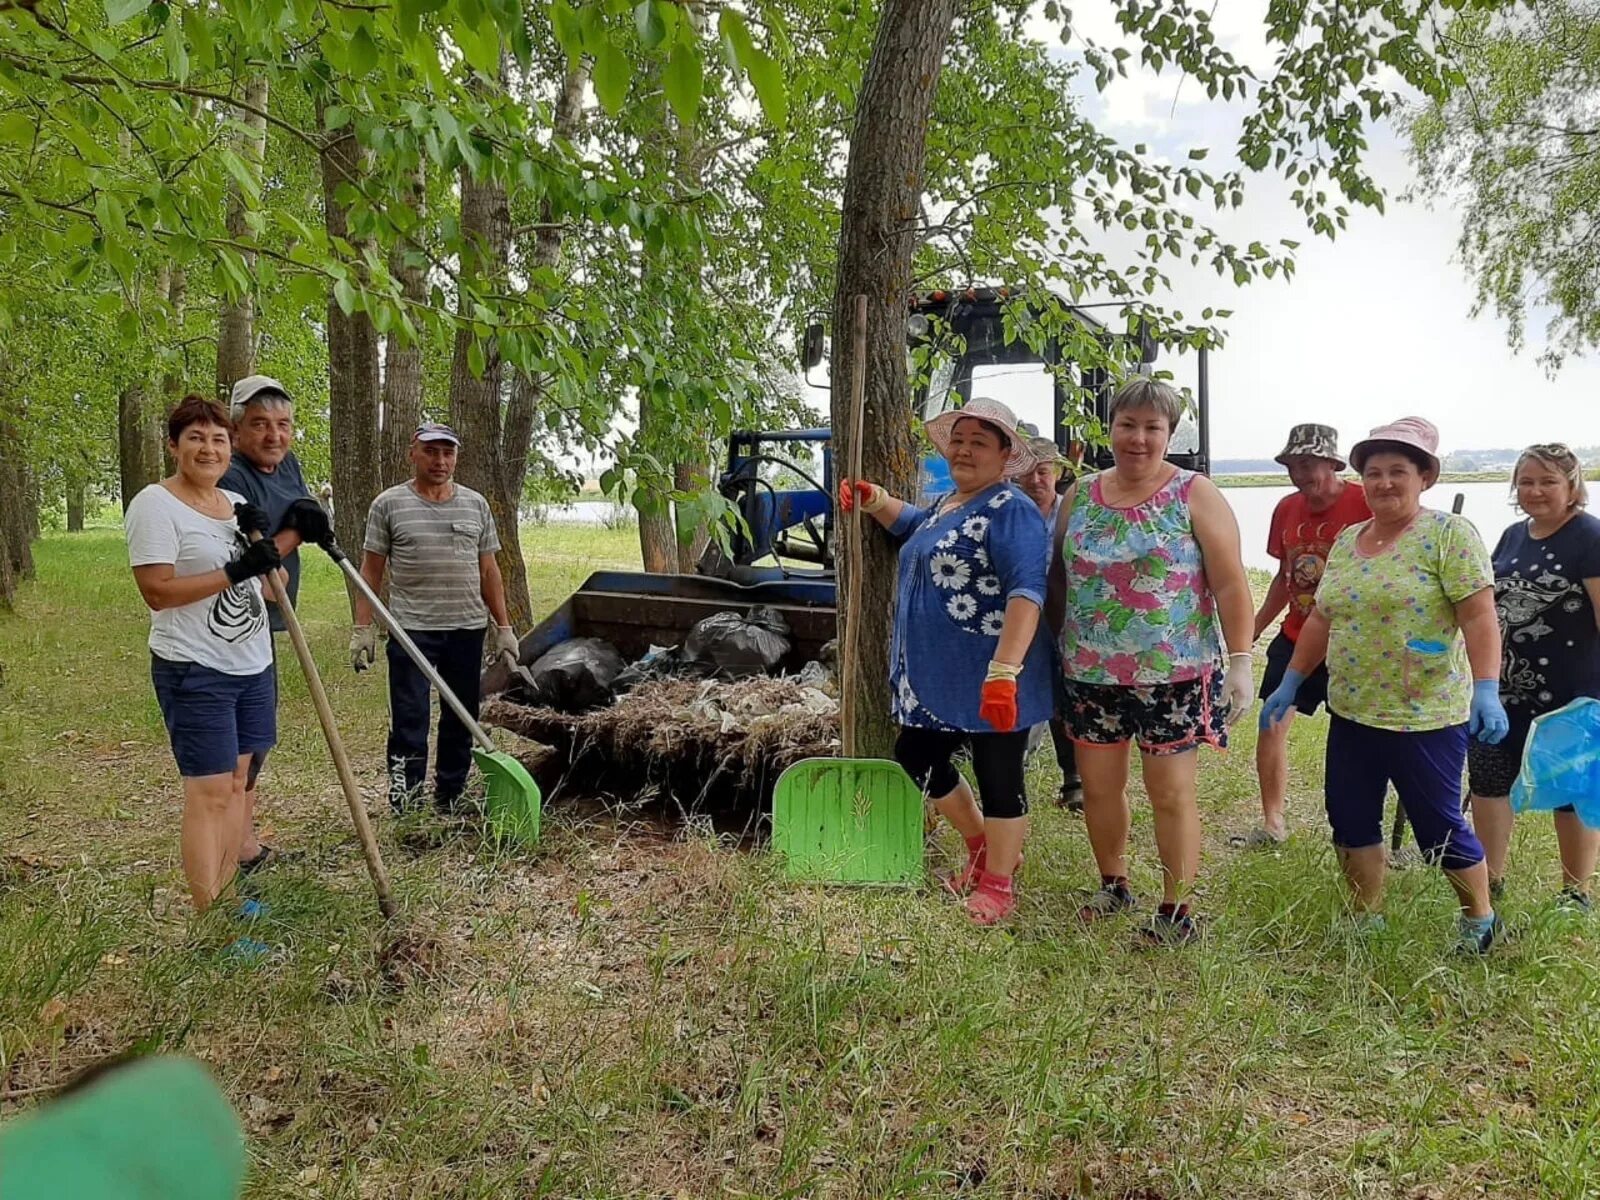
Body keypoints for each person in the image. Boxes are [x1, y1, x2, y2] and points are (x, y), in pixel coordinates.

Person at [1261, 417, 1510, 954]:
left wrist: (1486, 687)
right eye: (1374, 472)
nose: (1385, 482)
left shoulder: (1449, 535)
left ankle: (1480, 919)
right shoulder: (1351, 540)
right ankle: (1365, 918)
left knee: (1437, 826)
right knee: (1350, 818)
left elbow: (1479, 617)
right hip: (1352, 709)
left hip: (1423, 713)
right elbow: (1323, 619)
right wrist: (1291, 682)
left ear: (1424, 477)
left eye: (1399, 471)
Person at [1045, 377, 1255, 945]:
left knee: (1170, 793)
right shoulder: (1080, 495)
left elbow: (1232, 583)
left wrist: (1240, 660)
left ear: (1169, 433)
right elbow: (1058, 581)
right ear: (1110, 427)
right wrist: (1051, 648)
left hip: (1174, 675)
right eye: (1127, 424)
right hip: (1090, 674)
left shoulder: (1194, 493)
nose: (1138, 438)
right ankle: (1113, 882)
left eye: (1152, 427)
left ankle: (1176, 909)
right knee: (1099, 787)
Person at [840, 397, 1053, 926]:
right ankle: (981, 846)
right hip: (939, 674)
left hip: (991, 669)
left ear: (1006, 456)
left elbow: (1027, 591)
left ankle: (999, 885)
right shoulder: (947, 504)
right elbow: (913, 525)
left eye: (979, 442)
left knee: (997, 770)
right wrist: (876, 500)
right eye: (958, 440)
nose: (963, 450)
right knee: (915, 754)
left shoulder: (1011, 510)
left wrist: (1004, 672)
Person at [124, 396, 283, 919]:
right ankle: (209, 918)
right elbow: (157, 591)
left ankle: (231, 897)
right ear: (174, 446)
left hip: (252, 664)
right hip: (195, 667)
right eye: (195, 437)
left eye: (218, 439)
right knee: (210, 790)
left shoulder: (236, 505)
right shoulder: (155, 503)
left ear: (229, 446)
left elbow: (274, 589)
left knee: (239, 784)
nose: (208, 448)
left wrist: (286, 538)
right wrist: (238, 572)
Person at [352, 422, 520, 812]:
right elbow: (371, 570)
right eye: (431, 451)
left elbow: (489, 571)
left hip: (466, 629)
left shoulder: (475, 505)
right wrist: (362, 628)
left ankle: (451, 795)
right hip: (411, 630)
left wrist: (505, 628)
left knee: (461, 715)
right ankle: (406, 802)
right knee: (410, 719)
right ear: (413, 453)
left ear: (456, 457)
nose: (440, 460)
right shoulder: (389, 504)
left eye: (448, 453)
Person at [1467, 443, 1600, 908]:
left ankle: (1575, 891)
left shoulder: (1590, 537)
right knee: (1487, 780)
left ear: (1571, 487)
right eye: (1526, 481)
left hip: (1572, 694)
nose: (1536, 491)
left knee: (1570, 791)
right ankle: (1492, 879)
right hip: (1502, 689)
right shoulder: (1510, 536)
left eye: (1548, 482)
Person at [217, 375, 330, 874]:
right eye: (260, 425)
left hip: (272, 613)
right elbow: (246, 554)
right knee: (244, 741)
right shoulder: (231, 474)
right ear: (237, 429)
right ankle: (233, 849)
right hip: (237, 616)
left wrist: (308, 523)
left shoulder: (289, 466)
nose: (274, 436)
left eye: (283, 425)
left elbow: (299, 520)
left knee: (258, 738)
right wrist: (294, 533)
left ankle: (245, 842)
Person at [1239, 424, 1371, 847]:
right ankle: (1272, 821)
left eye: (1309, 463)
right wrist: (1254, 628)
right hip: (1296, 635)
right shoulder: (1286, 508)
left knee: (1358, 736)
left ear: (1333, 462)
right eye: (1293, 465)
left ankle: (1363, 829)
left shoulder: (1364, 502)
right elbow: (1285, 575)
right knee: (1270, 721)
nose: (1300, 473)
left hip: (1351, 642)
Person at [1013, 433, 1084, 810]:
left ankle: (1074, 780)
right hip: (1018, 618)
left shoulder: (1072, 515)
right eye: (1027, 473)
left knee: (1064, 696)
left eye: (1043, 471)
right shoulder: (1010, 515)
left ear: (1057, 472)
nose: (1035, 480)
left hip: (1065, 617)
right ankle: (1012, 774)